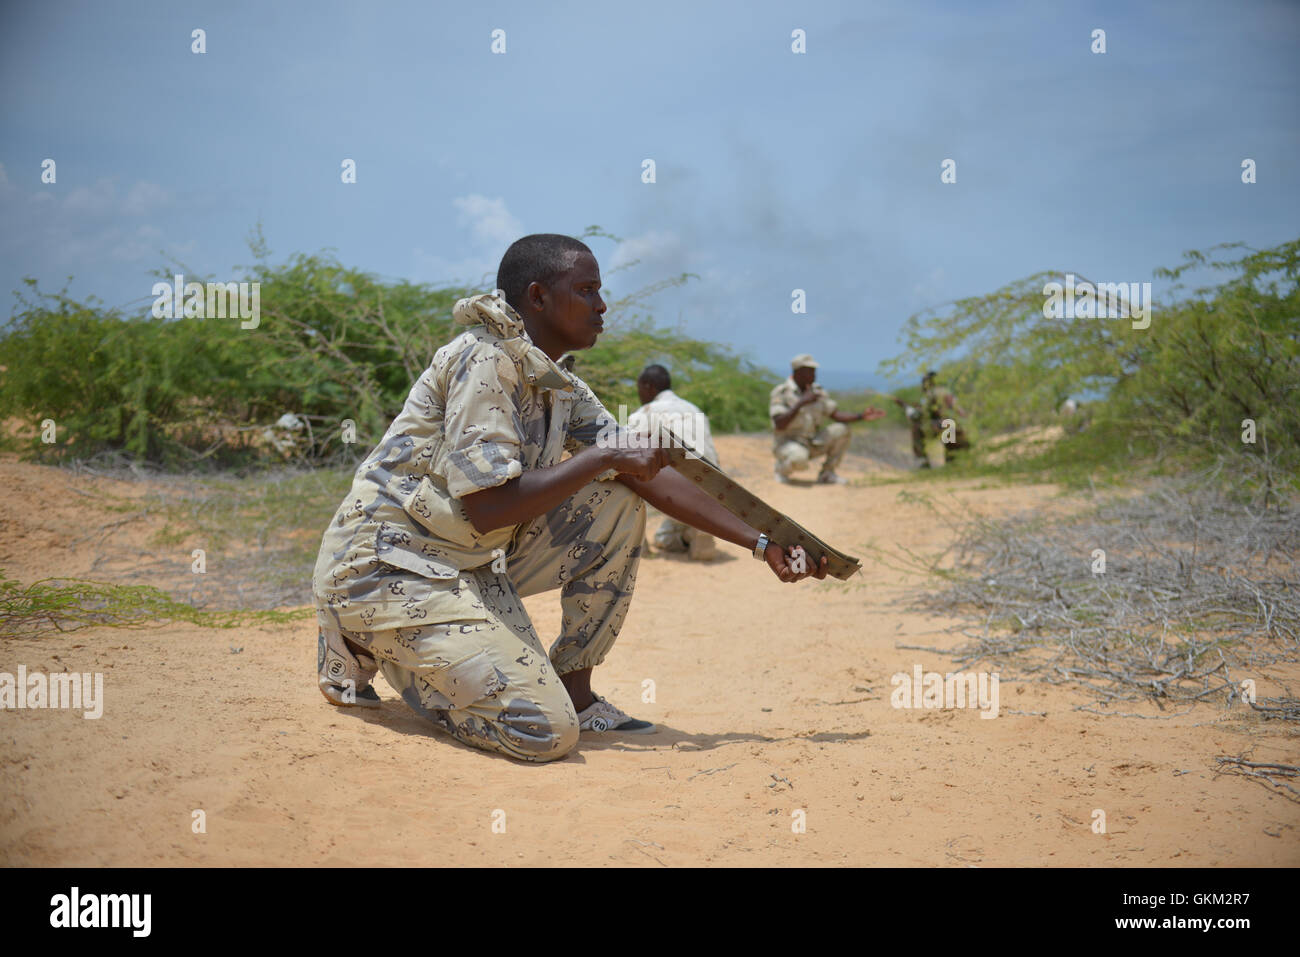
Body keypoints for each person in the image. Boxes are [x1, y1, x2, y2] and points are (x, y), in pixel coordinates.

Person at [313, 234, 828, 763]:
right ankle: (360, 637)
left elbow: (643, 474)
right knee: (541, 730)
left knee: (617, 501)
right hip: (388, 563)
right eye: (587, 290)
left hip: (467, 562)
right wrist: (603, 459)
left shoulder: (557, 382)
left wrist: (761, 541)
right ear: (537, 297)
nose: (602, 305)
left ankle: (577, 695)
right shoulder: (485, 360)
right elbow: (487, 507)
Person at [626, 364, 720, 560]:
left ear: (648, 386)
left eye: (640, 389)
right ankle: (694, 529)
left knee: (624, 472)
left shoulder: (645, 413)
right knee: (664, 537)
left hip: (677, 489)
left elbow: (623, 451)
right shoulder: (694, 409)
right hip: (713, 488)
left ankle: (637, 545)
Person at [770, 354, 884, 484]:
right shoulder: (782, 392)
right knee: (799, 458)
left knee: (842, 429)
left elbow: (836, 415)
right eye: (810, 372)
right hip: (788, 443)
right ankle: (781, 469)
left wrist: (861, 416)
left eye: (814, 372)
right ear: (798, 372)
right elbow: (779, 423)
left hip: (811, 442)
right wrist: (801, 402)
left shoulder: (817, 392)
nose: (814, 375)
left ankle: (827, 474)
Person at [909, 370, 970, 468]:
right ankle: (953, 458)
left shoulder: (931, 393)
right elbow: (959, 410)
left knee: (917, 427)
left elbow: (922, 414)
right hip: (955, 425)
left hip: (944, 425)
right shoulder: (946, 391)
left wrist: (913, 413)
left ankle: (923, 458)